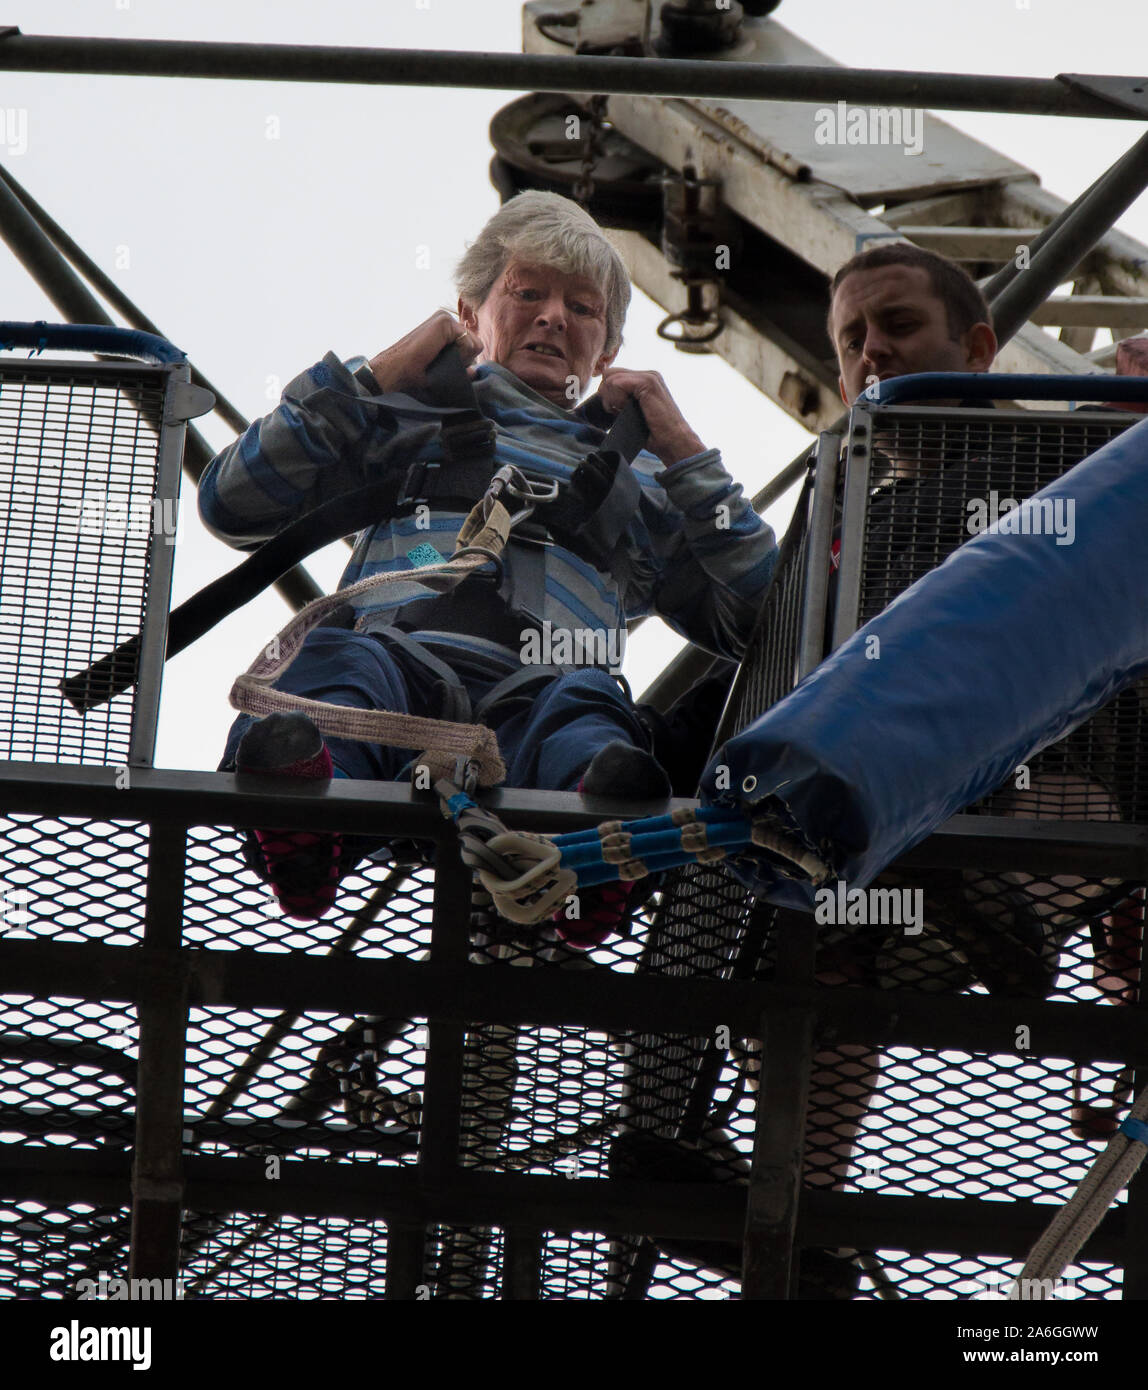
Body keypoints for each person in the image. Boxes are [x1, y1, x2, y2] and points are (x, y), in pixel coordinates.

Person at [612, 244, 1132, 1296]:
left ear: (976, 347)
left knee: (1040, 762)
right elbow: (753, 651)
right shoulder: (841, 522)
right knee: (807, 940)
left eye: (896, 326)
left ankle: (1002, 899)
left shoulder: (1069, 460)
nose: (868, 354)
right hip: (883, 808)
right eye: (850, 340)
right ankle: (806, 1221)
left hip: (1056, 778)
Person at [199, 191, 778, 943]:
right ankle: (305, 819)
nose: (552, 317)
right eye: (526, 293)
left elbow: (763, 620)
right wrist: (374, 379)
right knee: (337, 656)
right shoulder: (406, 421)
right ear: (470, 316)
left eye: (582, 307)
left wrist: (684, 452)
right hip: (392, 669)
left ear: (605, 356)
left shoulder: (645, 485)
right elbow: (233, 503)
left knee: (585, 713)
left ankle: (595, 840)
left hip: (543, 690)